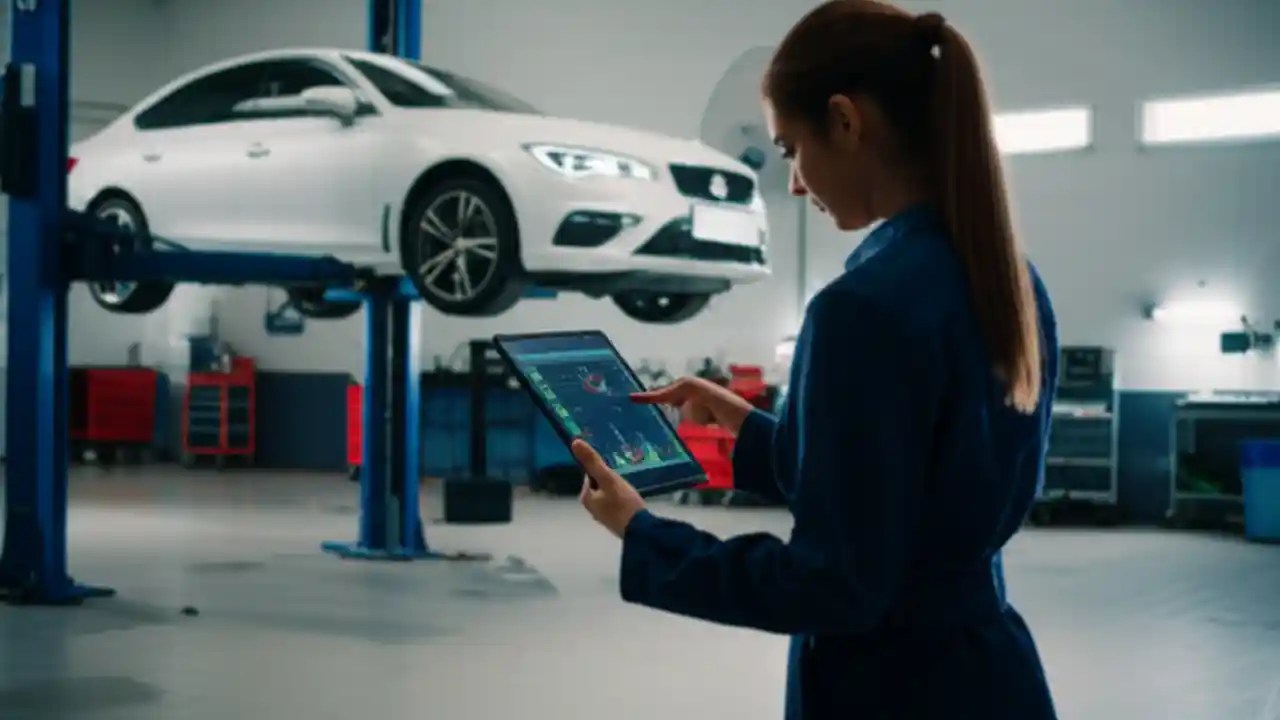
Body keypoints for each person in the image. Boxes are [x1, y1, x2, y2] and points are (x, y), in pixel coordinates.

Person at [570, 1, 1060, 718]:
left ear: (845, 120)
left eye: (790, 148)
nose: (795, 182)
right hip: (990, 674)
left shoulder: (859, 310)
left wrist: (644, 534)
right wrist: (758, 431)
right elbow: (917, 487)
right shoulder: (1009, 279)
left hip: (887, 690)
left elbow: (834, 585)